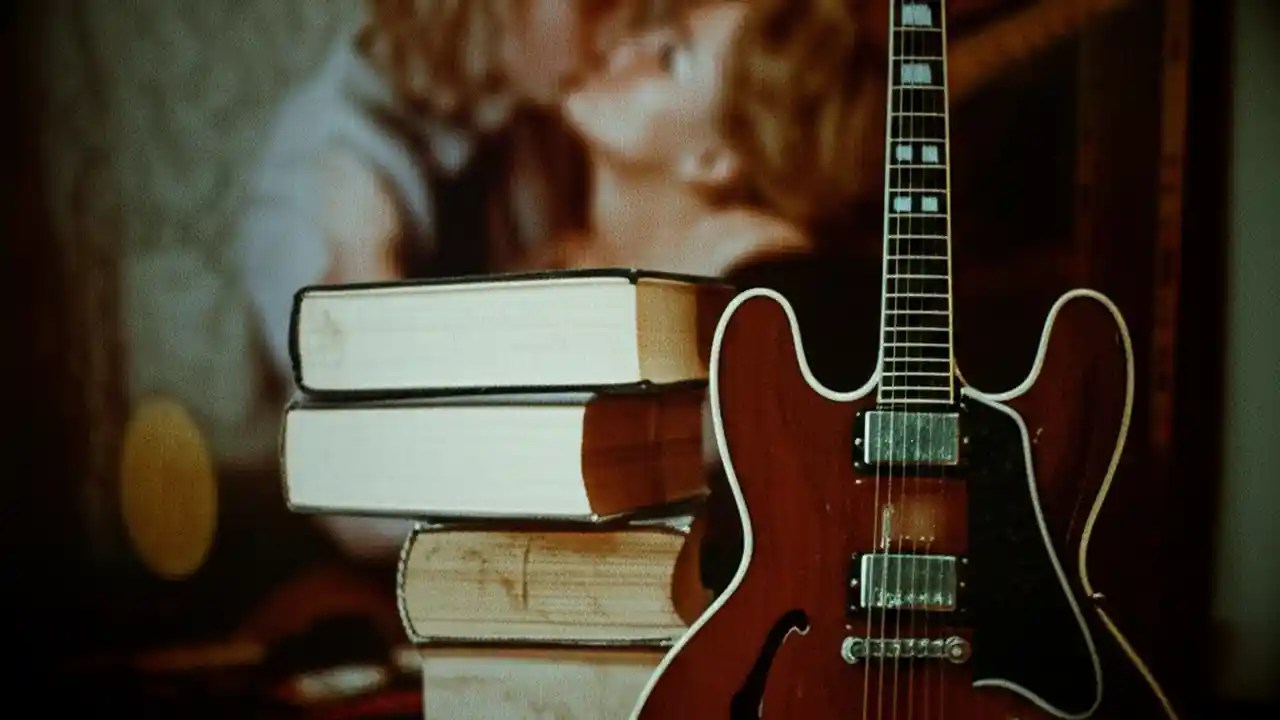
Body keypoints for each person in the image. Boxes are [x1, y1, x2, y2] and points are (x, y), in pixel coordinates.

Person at [235, 0, 652, 560]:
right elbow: (363, 499)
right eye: (596, 5)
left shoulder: (535, 106)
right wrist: (367, 264)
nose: (623, 29)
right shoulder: (322, 177)